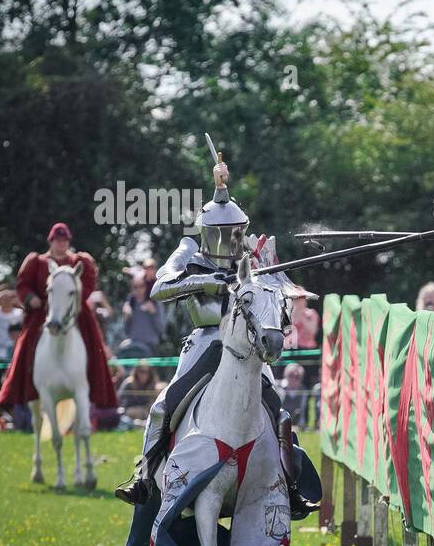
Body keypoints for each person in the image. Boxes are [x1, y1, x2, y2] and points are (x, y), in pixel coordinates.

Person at [113, 150, 315, 518]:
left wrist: (269, 276)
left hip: (248, 349)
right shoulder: (190, 250)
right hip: (206, 344)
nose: (232, 239)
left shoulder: (253, 257)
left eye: (236, 232)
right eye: (224, 233)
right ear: (208, 232)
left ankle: (291, 485)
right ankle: (143, 476)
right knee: (163, 405)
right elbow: (161, 286)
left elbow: (281, 291)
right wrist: (210, 282)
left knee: (279, 411)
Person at [0, 223, 118, 422]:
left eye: (65, 240)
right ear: (51, 241)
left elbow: (87, 287)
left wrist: (70, 302)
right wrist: (31, 298)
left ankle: (92, 401)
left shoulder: (81, 262)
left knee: (92, 347)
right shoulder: (36, 262)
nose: (61, 244)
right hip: (41, 312)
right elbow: (22, 285)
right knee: (27, 347)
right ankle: (26, 398)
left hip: (75, 313)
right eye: (58, 240)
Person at [119, 273, 166, 356]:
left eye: (141, 286)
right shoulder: (130, 302)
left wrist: (153, 313)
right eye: (135, 287)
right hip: (134, 347)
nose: (138, 289)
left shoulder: (154, 301)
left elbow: (161, 329)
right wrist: (127, 317)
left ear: (147, 286)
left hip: (151, 347)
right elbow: (126, 332)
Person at [117, 360, 163, 425]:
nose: (144, 375)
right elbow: (120, 402)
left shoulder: (153, 385)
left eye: (147, 372)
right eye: (141, 372)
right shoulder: (129, 383)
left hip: (147, 412)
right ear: (136, 372)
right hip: (130, 412)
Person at [277, 362, 308, 429]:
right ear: (285, 375)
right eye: (290, 375)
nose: (293, 378)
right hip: (279, 422)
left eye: (297, 376)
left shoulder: (303, 390)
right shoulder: (278, 387)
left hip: (296, 424)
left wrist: (301, 426)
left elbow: (302, 411)